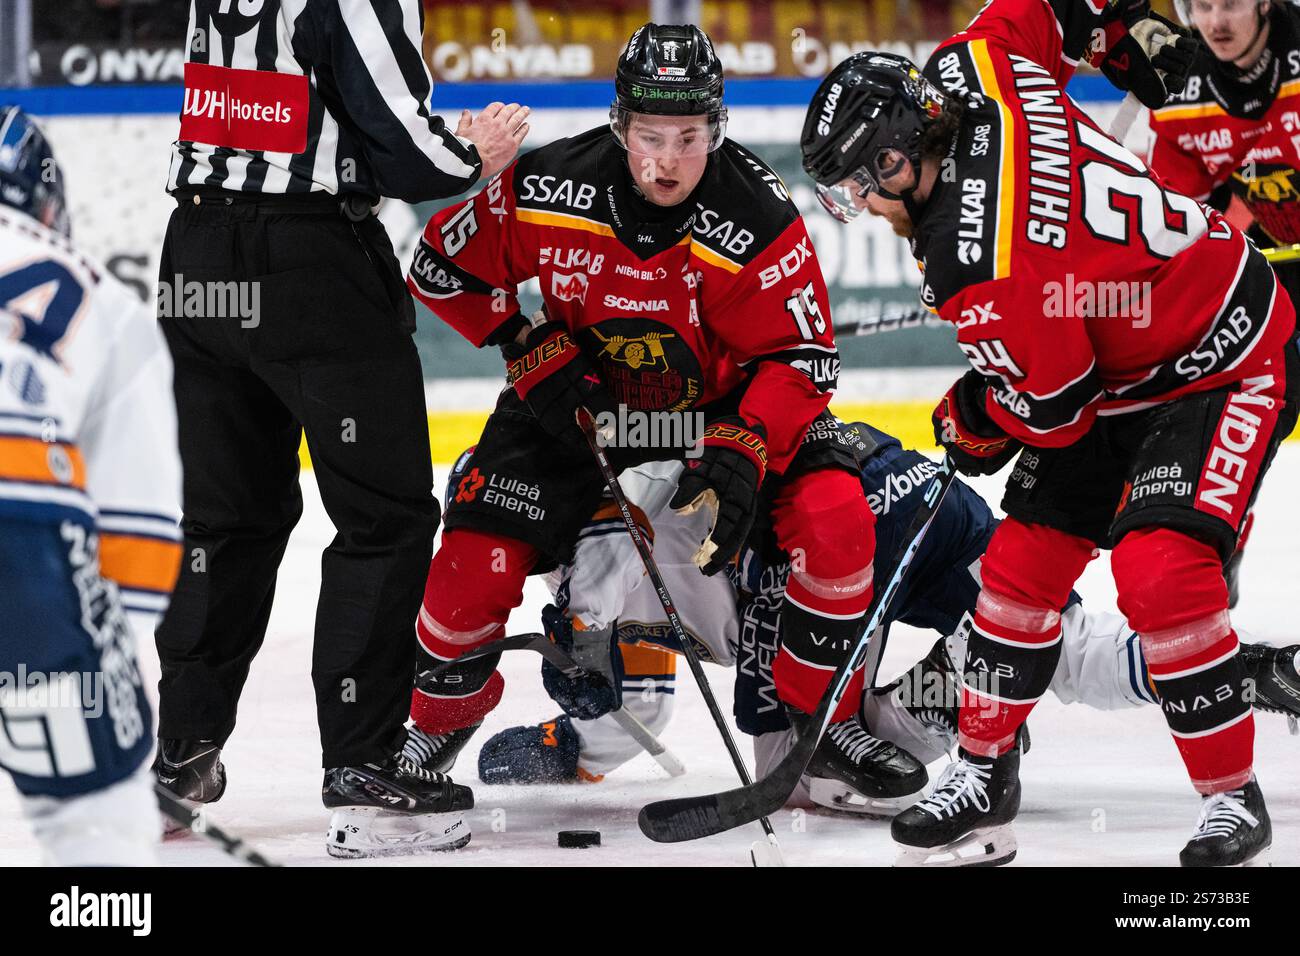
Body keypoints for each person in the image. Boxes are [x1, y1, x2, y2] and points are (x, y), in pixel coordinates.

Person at [800, 0, 1296, 866]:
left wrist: (975, 417)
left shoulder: (975, 262)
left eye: (860, 186)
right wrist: (1134, 42)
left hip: (1224, 354)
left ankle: (1231, 799)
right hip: (1123, 356)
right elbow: (1066, 7)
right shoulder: (971, 63)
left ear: (896, 157)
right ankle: (985, 775)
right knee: (1016, 572)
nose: (864, 205)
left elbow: (1054, 415)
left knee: (1160, 570)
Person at [403, 23, 877, 779]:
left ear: (715, 128)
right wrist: (522, 341)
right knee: (470, 568)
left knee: (836, 518)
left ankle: (825, 719)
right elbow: (435, 264)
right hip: (574, 411)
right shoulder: (553, 183)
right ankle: (433, 729)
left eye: (688, 137)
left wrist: (746, 444)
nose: (666, 161)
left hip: (711, 419)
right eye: (650, 135)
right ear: (621, 124)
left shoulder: (756, 217)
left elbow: (806, 360)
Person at [453, 421, 1300, 814]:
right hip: (905, 492)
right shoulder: (616, 505)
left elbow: (624, 676)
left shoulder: (594, 550)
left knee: (799, 772)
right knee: (1067, 653)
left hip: (825, 563)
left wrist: (577, 713)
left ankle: (954, 698)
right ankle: (1245, 668)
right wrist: (583, 710)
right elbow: (635, 693)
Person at [153, 0, 527, 859]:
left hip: (197, 260)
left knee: (225, 518)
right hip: (309, 270)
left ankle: (179, 753)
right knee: (384, 518)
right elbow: (404, 147)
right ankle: (363, 763)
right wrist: (475, 152)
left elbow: (277, 105)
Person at [0, 106, 182, 865]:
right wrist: (104, 691)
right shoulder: (104, 301)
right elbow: (138, 537)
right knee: (93, 826)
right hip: (22, 539)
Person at [1146, 0, 1300, 602]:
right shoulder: (1180, 89)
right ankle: (1222, 535)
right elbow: (1180, 220)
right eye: (1200, 5)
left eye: (1229, 2)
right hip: (1266, 271)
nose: (1215, 21)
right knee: (1255, 405)